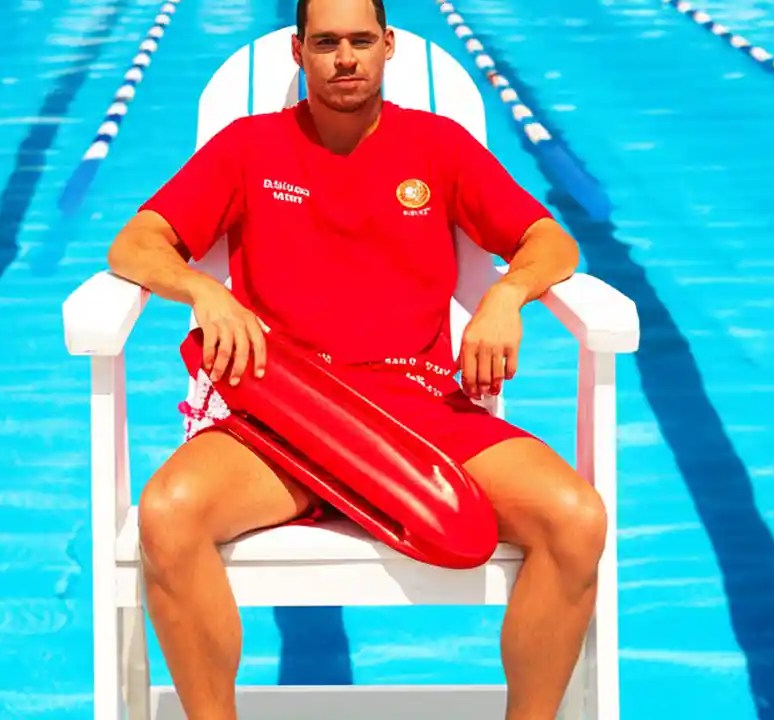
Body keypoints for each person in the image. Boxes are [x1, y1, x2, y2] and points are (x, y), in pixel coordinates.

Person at [105, 0, 607, 717]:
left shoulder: (438, 145)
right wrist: (200, 291)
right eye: (327, 42)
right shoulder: (249, 147)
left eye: (361, 41)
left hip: (423, 409)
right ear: (297, 52)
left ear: (389, 46)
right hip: (286, 416)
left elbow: (550, 242)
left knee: (576, 520)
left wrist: (505, 299)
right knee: (168, 515)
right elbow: (135, 244)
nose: (345, 57)